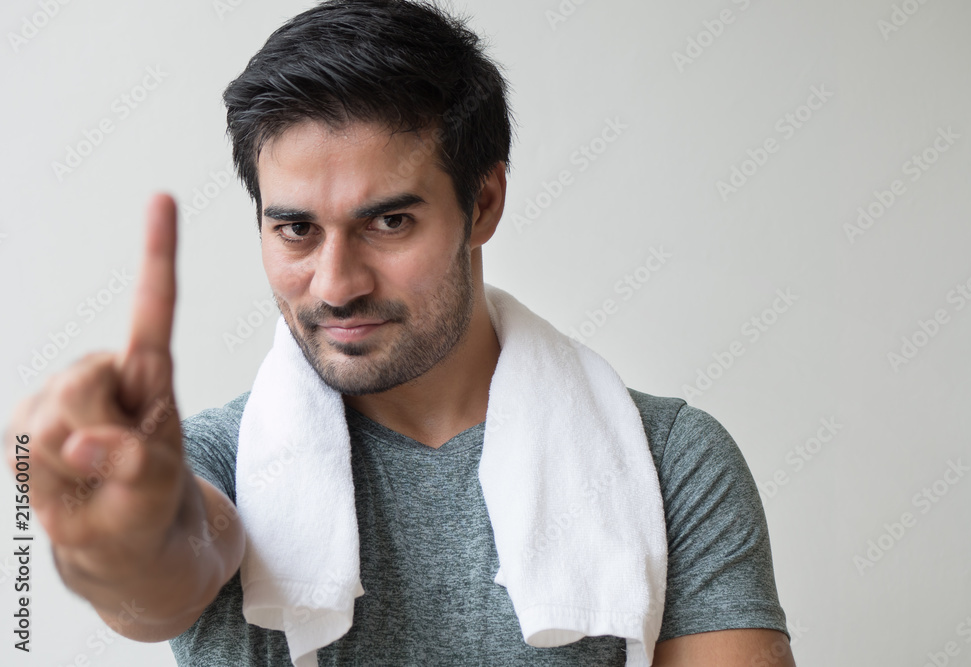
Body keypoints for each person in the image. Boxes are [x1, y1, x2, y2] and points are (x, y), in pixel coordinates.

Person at [4, 1, 795, 665]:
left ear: (482, 204)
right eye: (296, 231)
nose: (337, 283)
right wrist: (123, 539)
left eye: (388, 221)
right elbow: (172, 566)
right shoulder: (221, 460)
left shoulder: (674, 460)